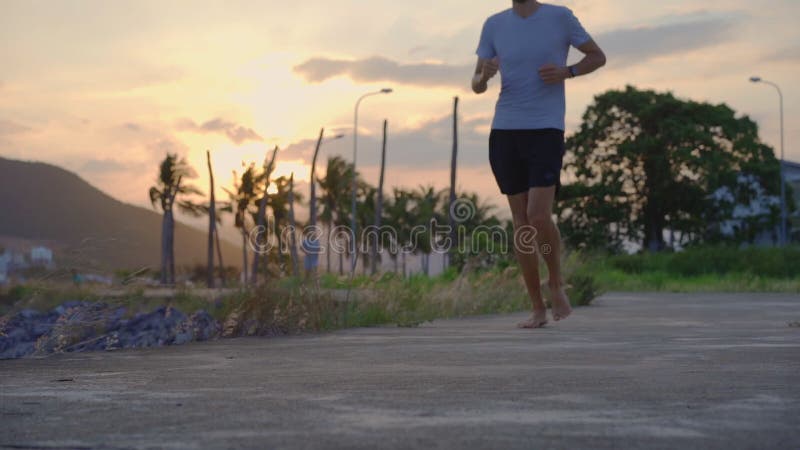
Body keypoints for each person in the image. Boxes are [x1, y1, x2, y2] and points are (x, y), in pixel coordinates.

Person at [472, 0, 606, 328]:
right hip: (504, 130)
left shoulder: (560, 17)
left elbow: (597, 56)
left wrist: (567, 71)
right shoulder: (494, 24)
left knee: (537, 216)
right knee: (521, 222)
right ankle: (537, 308)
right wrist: (484, 76)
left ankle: (556, 283)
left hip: (545, 128)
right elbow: (476, 84)